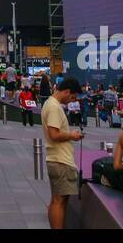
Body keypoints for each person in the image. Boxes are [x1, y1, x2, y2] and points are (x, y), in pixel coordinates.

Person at [42, 77, 84, 229]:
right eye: (72, 97)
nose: (72, 101)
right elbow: (54, 134)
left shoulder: (50, 103)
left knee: (58, 200)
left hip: (56, 158)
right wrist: (72, 135)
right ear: (66, 91)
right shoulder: (54, 107)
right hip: (60, 160)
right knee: (59, 201)